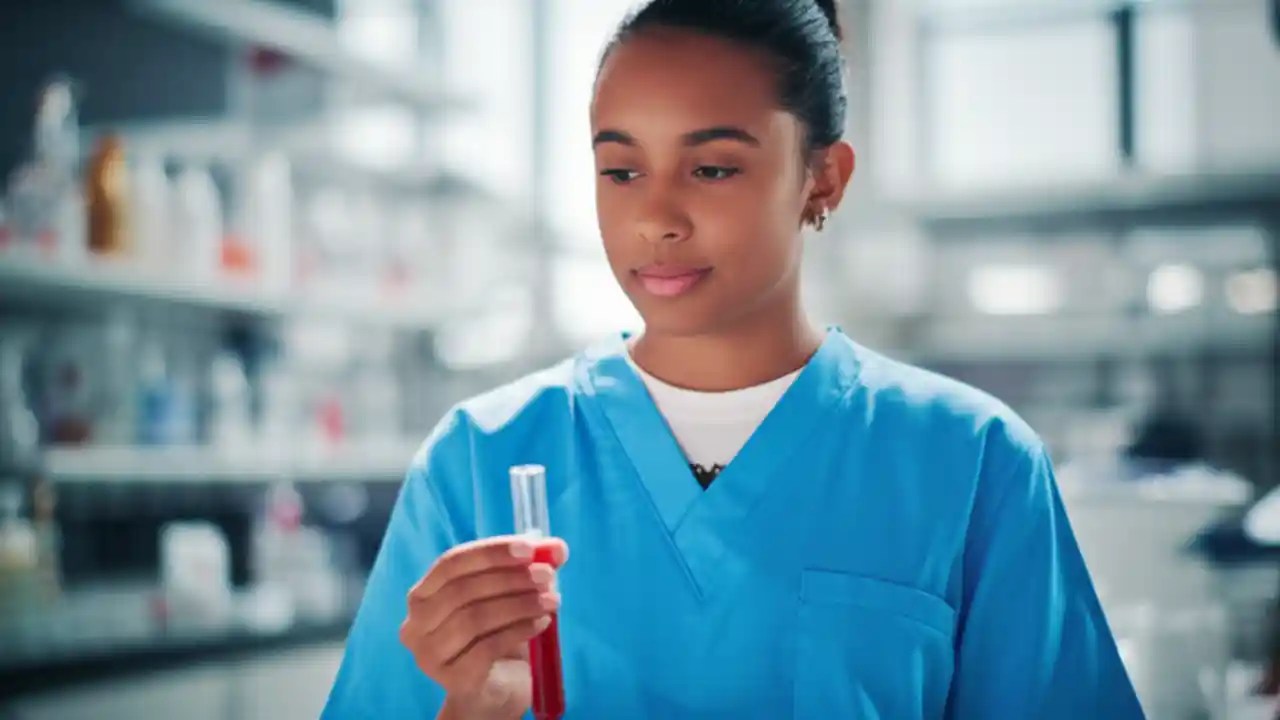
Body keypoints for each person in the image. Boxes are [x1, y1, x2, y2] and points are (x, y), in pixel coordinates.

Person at [323, 0, 1145, 717]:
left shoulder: (971, 464)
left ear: (822, 178)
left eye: (712, 168)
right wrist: (471, 711)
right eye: (620, 170)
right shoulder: (479, 462)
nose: (656, 217)